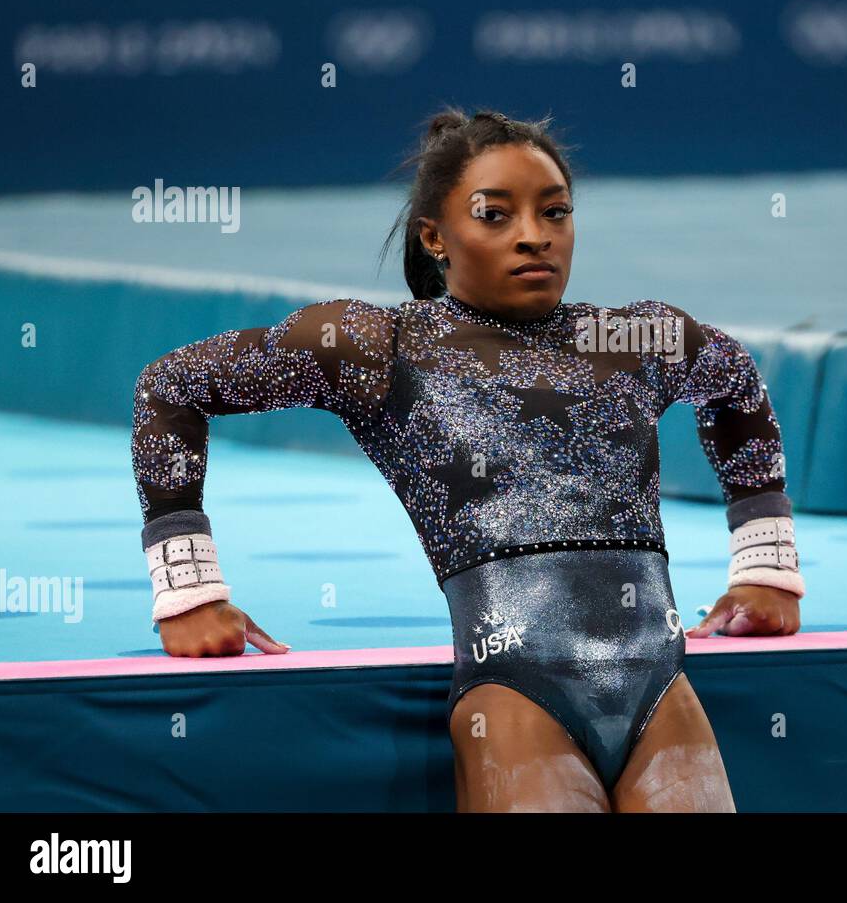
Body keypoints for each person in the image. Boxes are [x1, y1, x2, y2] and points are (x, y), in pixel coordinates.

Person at [131, 107, 806, 812]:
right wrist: (189, 589)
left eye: (555, 212)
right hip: (515, 700)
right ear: (436, 236)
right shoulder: (382, 347)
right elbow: (173, 385)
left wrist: (767, 569)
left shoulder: (632, 337)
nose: (533, 236)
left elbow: (732, 378)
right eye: (495, 215)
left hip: (664, 695)